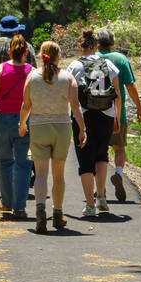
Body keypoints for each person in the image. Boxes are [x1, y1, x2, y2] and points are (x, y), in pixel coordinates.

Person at [19, 42, 87, 233]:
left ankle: (41, 210)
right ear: (58, 56)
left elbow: (26, 106)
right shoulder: (67, 77)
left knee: (40, 174)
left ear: (42, 56)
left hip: (39, 126)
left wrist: (22, 123)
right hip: (61, 128)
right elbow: (75, 106)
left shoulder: (32, 77)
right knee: (58, 174)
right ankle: (57, 214)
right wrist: (82, 129)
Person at [67, 28, 121, 219]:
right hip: (106, 114)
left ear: (80, 47)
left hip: (84, 116)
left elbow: (70, 95)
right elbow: (117, 93)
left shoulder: (74, 66)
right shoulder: (107, 63)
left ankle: (89, 205)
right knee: (102, 155)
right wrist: (116, 117)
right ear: (96, 46)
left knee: (85, 160)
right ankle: (101, 198)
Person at [0, 33, 33, 219]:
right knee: (24, 164)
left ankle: (6, 204)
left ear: (9, 52)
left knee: (4, 161)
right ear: (26, 52)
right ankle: (20, 207)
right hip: (24, 120)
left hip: (2, 119)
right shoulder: (31, 71)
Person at [97, 27, 141, 202]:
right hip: (117, 114)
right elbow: (130, 86)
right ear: (113, 43)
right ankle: (117, 173)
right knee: (119, 149)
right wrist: (139, 107)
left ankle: (99, 189)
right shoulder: (121, 59)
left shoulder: (91, 59)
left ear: (97, 43)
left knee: (99, 153)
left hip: (95, 114)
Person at [0, 15, 36, 83]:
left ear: (1, 31)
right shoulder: (27, 47)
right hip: (22, 91)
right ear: (16, 31)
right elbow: (33, 75)